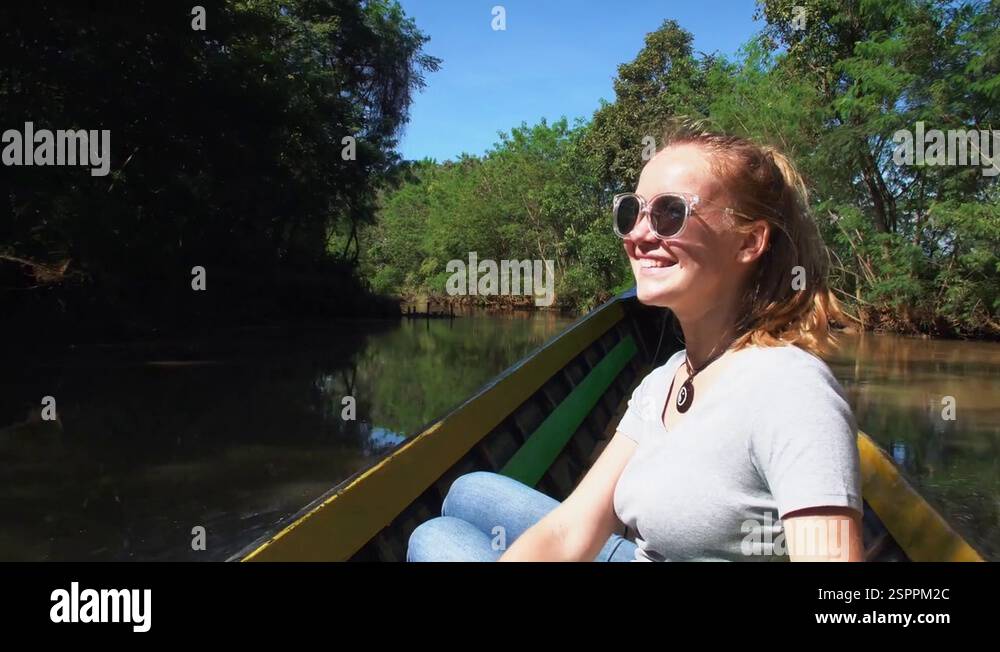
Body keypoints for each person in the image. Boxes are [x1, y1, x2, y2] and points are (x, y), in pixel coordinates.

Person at [407, 125, 864, 562]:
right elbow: (571, 530)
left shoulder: (790, 390)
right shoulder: (669, 377)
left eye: (670, 213)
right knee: (469, 493)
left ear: (749, 241)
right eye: (633, 212)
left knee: (436, 544)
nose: (639, 235)